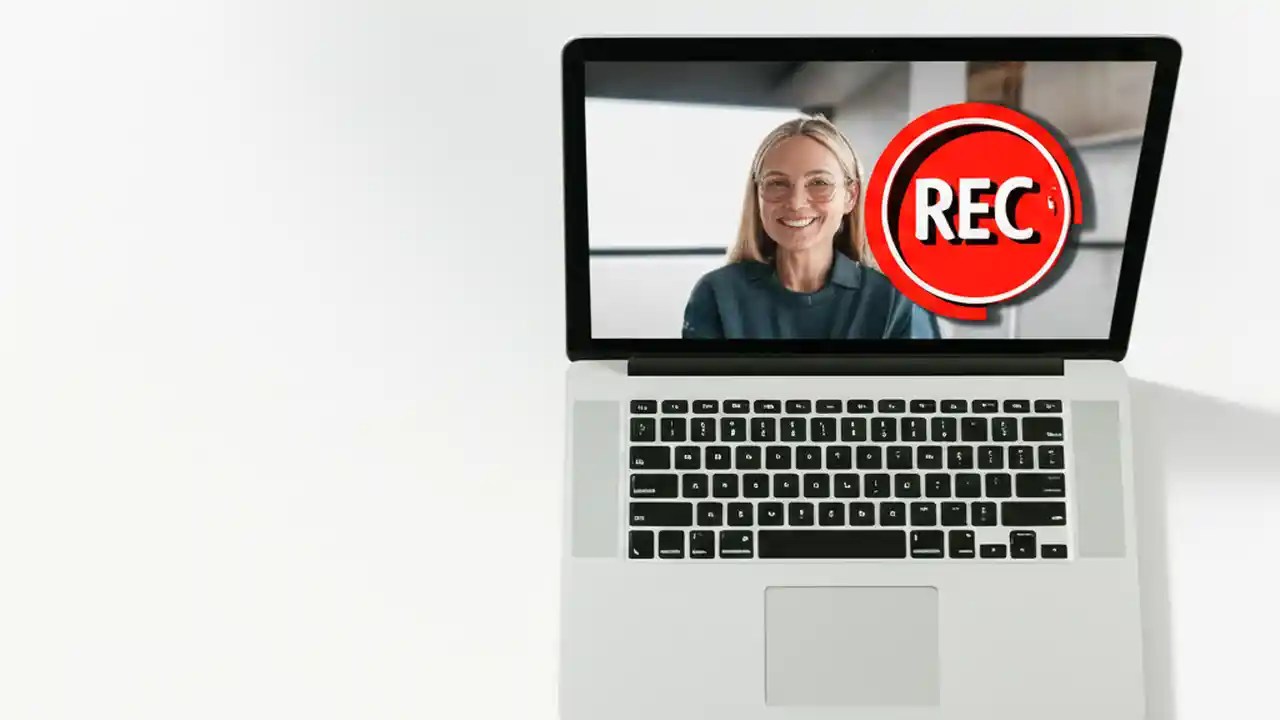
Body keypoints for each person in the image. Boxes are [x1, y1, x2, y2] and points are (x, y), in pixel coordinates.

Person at [681, 114, 938, 339]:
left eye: (819, 183)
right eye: (778, 183)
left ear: (850, 196)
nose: (795, 202)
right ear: (758, 195)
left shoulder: (896, 301)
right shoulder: (717, 295)